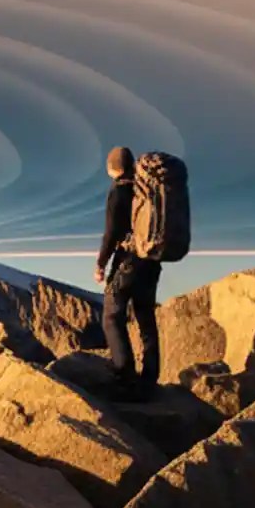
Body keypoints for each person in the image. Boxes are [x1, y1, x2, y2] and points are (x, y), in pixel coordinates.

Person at [95, 146, 161, 401]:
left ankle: (124, 377)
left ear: (112, 168)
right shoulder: (148, 189)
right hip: (152, 261)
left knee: (112, 316)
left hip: (129, 261)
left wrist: (101, 264)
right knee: (145, 317)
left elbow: (111, 233)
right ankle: (149, 379)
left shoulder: (119, 191)